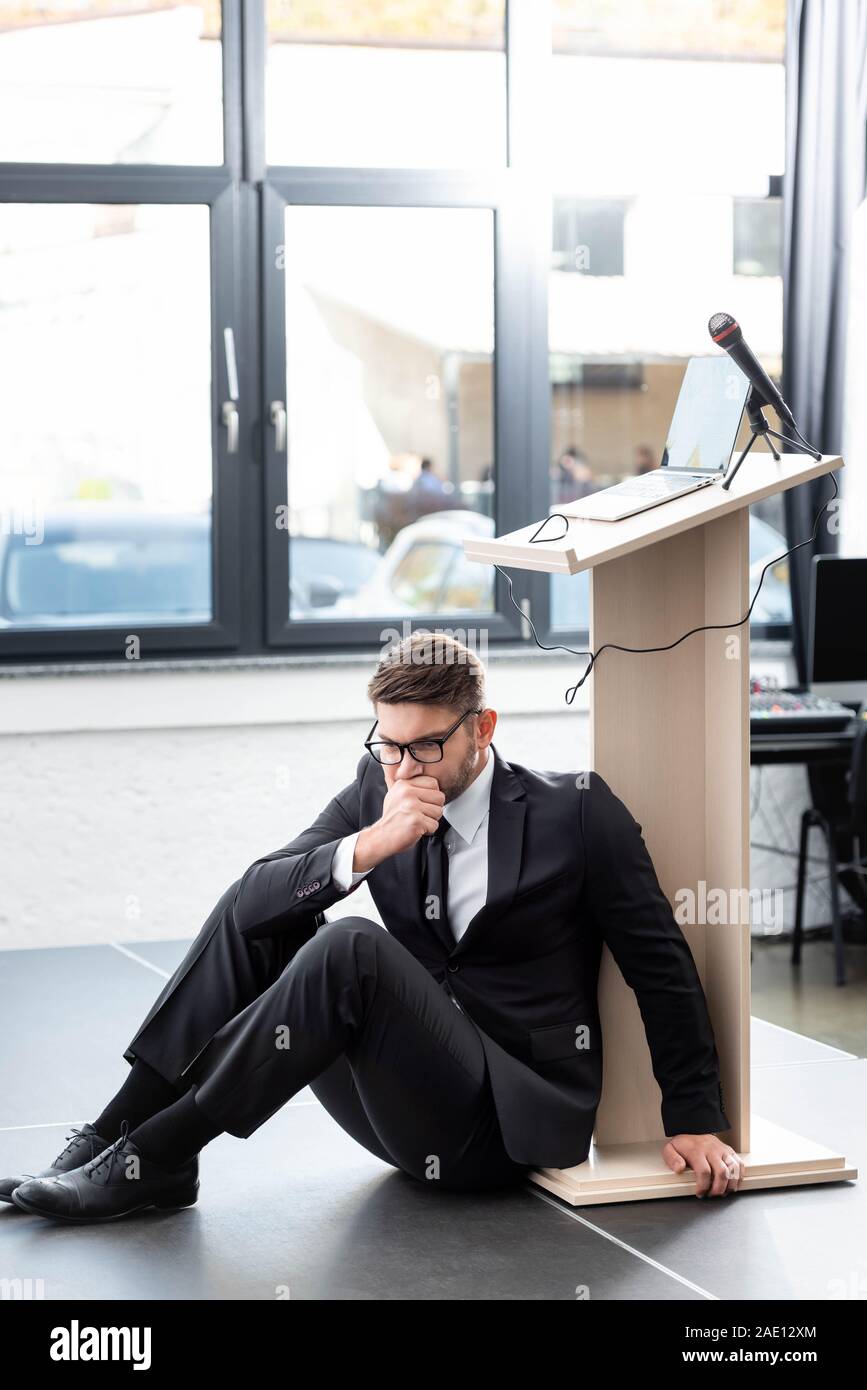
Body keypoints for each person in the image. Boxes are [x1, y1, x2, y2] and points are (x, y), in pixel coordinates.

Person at [3, 632, 741, 1222]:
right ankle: (114, 1135)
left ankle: (157, 1155)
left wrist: (695, 1117)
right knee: (265, 904)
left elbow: (660, 964)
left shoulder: (575, 812)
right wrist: (368, 846)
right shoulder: (380, 786)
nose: (402, 766)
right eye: (386, 744)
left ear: (481, 727)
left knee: (347, 946)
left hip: (499, 1125)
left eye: (425, 746)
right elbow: (256, 899)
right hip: (394, 1102)